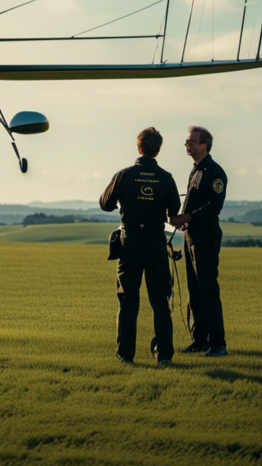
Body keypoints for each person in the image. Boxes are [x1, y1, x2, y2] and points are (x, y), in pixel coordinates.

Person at [100, 127, 180, 365]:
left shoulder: (123, 175)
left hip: (130, 242)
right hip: (156, 242)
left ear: (139, 147)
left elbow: (105, 204)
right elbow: (174, 211)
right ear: (158, 149)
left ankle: (125, 355)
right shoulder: (166, 178)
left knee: (127, 300)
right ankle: (164, 355)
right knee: (159, 301)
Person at [170, 125, 228, 357]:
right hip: (191, 235)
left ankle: (218, 344)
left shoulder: (215, 171)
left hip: (205, 237)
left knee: (207, 290)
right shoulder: (195, 170)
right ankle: (200, 340)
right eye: (187, 141)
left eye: (192, 141)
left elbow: (215, 206)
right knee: (195, 290)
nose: (187, 144)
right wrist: (184, 220)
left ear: (204, 145)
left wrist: (190, 216)